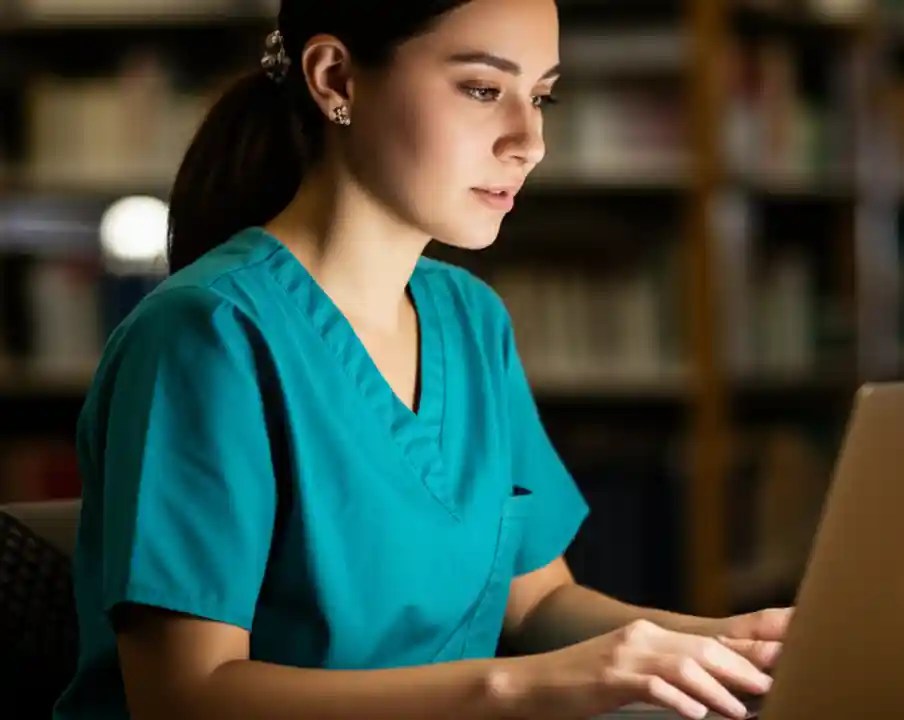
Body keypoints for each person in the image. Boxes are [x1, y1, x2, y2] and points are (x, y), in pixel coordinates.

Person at [51, 1, 791, 719]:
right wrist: (516, 689)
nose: (528, 140)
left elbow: (537, 602)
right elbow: (185, 699)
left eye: (543, 97)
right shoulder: (207, 335)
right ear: (336, 79)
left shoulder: (469, 318)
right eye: (481, 89)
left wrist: (728, 642)